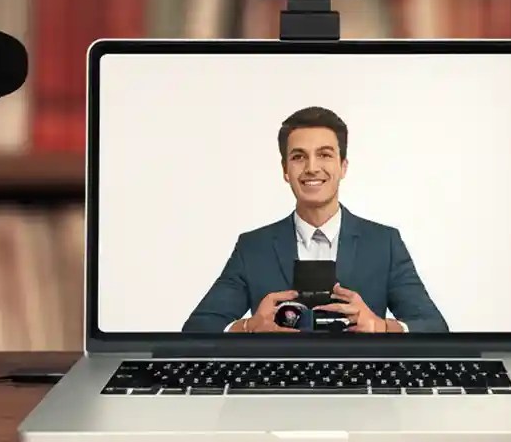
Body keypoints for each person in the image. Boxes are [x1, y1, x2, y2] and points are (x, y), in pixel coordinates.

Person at [182, 106, 448, 334]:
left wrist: (380, 326)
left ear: (343, 166)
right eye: (298, 157)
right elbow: (197, 327)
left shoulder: (384, 243)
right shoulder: (253, 247)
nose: (311, 167)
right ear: (285, 170)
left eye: (324, 154)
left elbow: (433, 326)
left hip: (358, 383)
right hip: (277, 385)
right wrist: (249, 326)